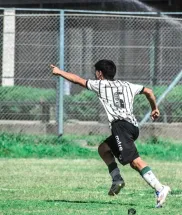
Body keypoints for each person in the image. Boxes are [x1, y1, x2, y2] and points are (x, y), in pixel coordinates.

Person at [50, 59, 170, 208]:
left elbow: (77, 80)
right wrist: (154, 108)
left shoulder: (100, 84)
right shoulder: (127, 85)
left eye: (96, 72)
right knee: (103, 148)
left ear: (100, 73)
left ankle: (160, 188)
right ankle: (117, 179)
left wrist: (59, 72)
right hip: (132, 126)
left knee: (135, 161)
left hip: (121, 126)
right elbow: (149, 92)